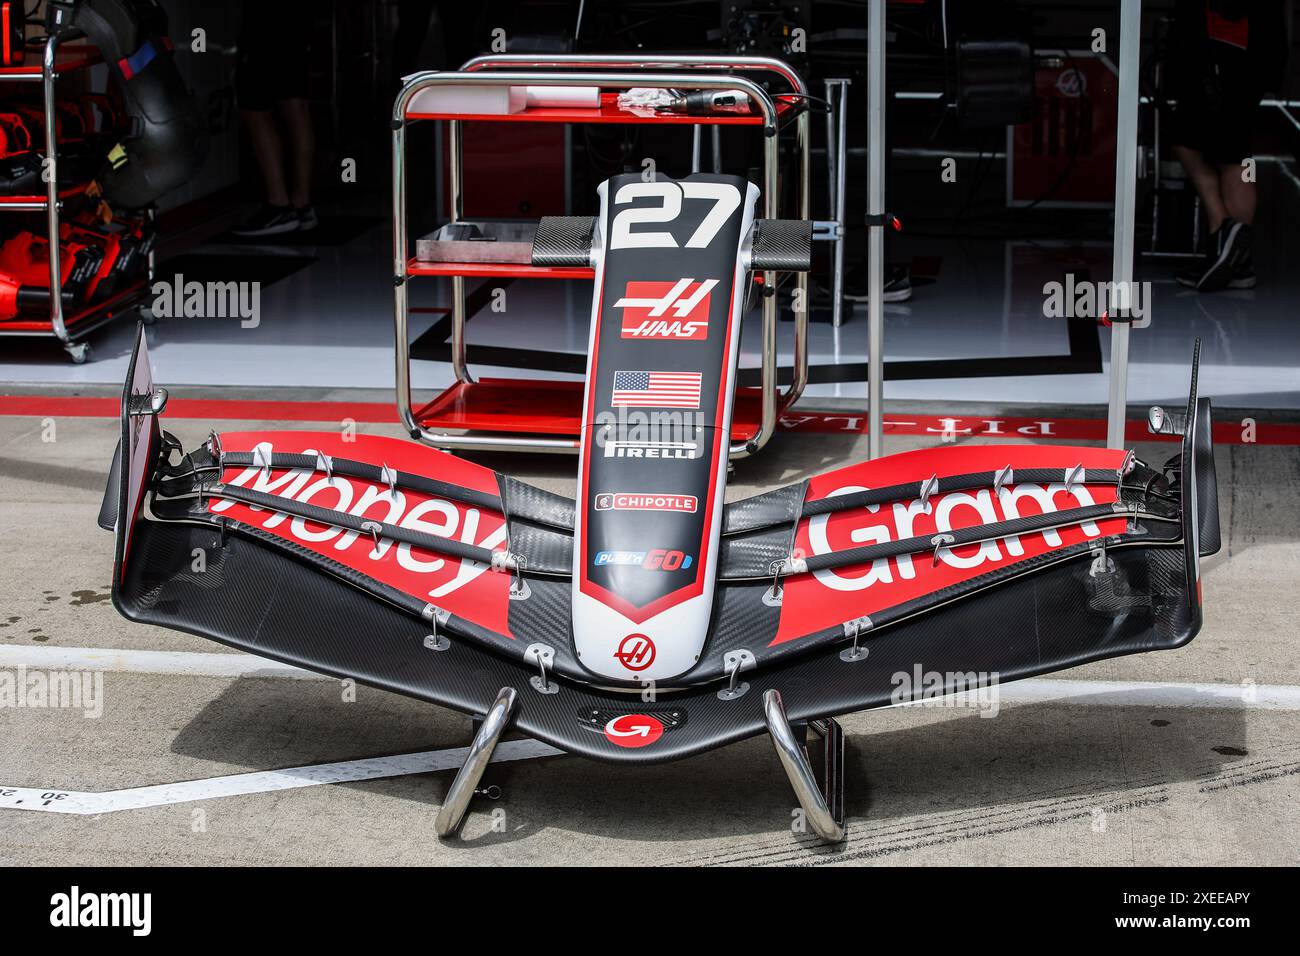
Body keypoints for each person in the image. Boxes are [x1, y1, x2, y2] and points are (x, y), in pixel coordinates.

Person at [1166, 0, 1287, 291]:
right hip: (1249, 49)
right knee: (1237, 156)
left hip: (1226, 47)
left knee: (1206, 149)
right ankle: (1237, 259)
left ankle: (1225, 233)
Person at [231, 0, 317, 237]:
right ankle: (302, 204)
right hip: (298, 16)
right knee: (295, 102)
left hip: (266, 17)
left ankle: (279, 205)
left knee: (254, 107)